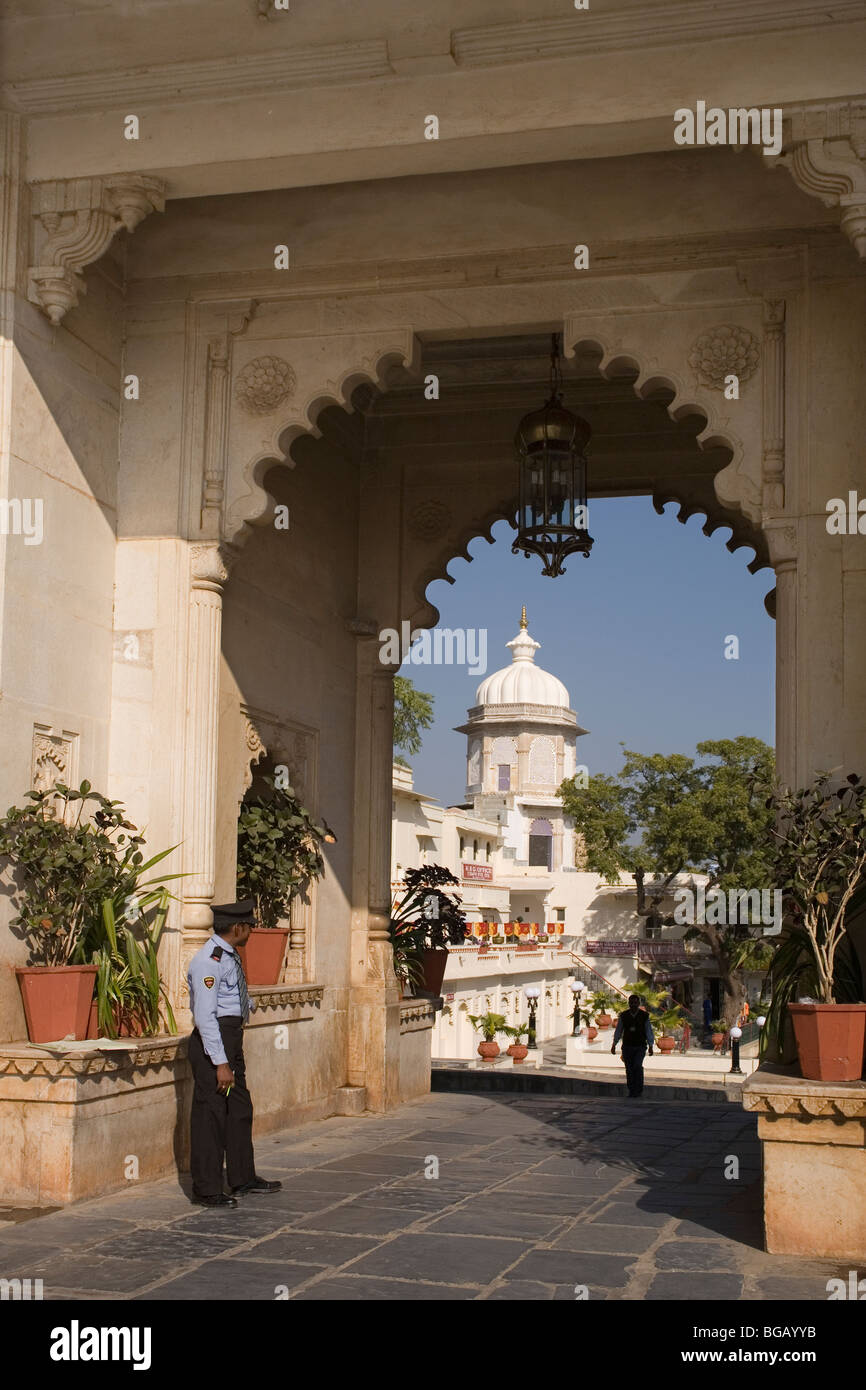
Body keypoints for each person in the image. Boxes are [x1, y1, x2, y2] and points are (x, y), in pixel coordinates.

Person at [186, 899, 283, 1207]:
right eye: (250, 925)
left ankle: (242, 1177)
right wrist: (220, 1063)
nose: (252, 930)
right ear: (238, 928)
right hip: (213, 1044)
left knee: (239, 1109)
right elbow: (205, 1017)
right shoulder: (208, 962)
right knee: (211, 1116)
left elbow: (229, 997)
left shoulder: (229, 956)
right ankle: (207, 1189)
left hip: (231, 1038)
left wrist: (247, 1005)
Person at [611, 993, 655, 1098]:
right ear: (629, 1004)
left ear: (639, 1004)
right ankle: (631, 1090)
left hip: (640, 1046)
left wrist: (651, 1045)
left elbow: (648, 1031)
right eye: (631, 1003)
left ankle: (638, 1089)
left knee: (637, 1066)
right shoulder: (624, 1016)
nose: (634, 1005)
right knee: (629, 1069)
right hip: (627, 1046)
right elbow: (619, 1030)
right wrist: (614, 1044)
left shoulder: (644, 1016)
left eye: (636, 1003)